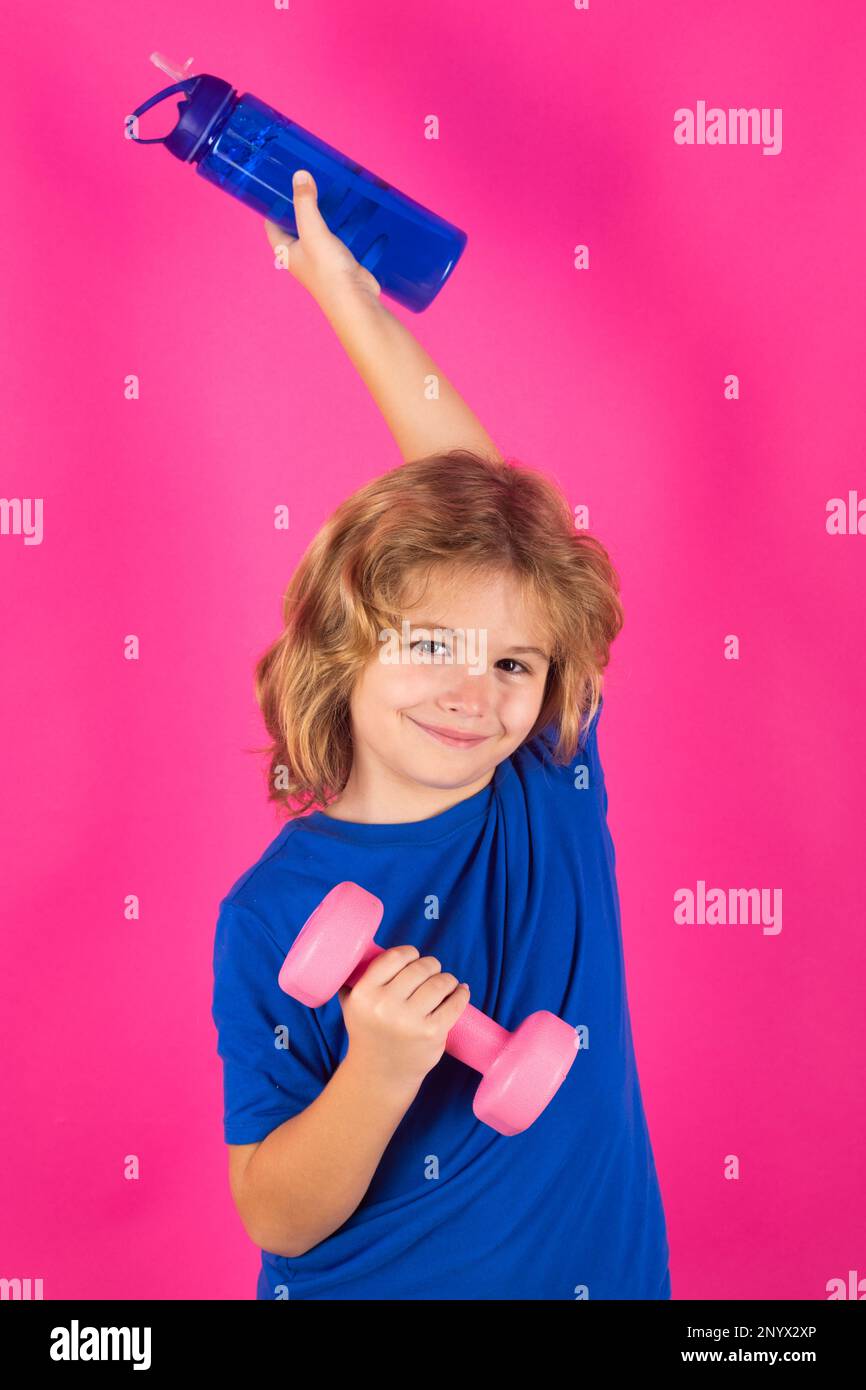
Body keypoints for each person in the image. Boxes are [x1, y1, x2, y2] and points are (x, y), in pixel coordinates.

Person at [210, 170, 671, 1299]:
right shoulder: (270, 911)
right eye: (430, 646)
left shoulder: (544, 786)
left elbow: (501, 520)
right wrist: (378, 1070)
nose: (474, 690)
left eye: (512, 663)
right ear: (341, 650)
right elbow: (275, 1213)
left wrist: (346, 294)